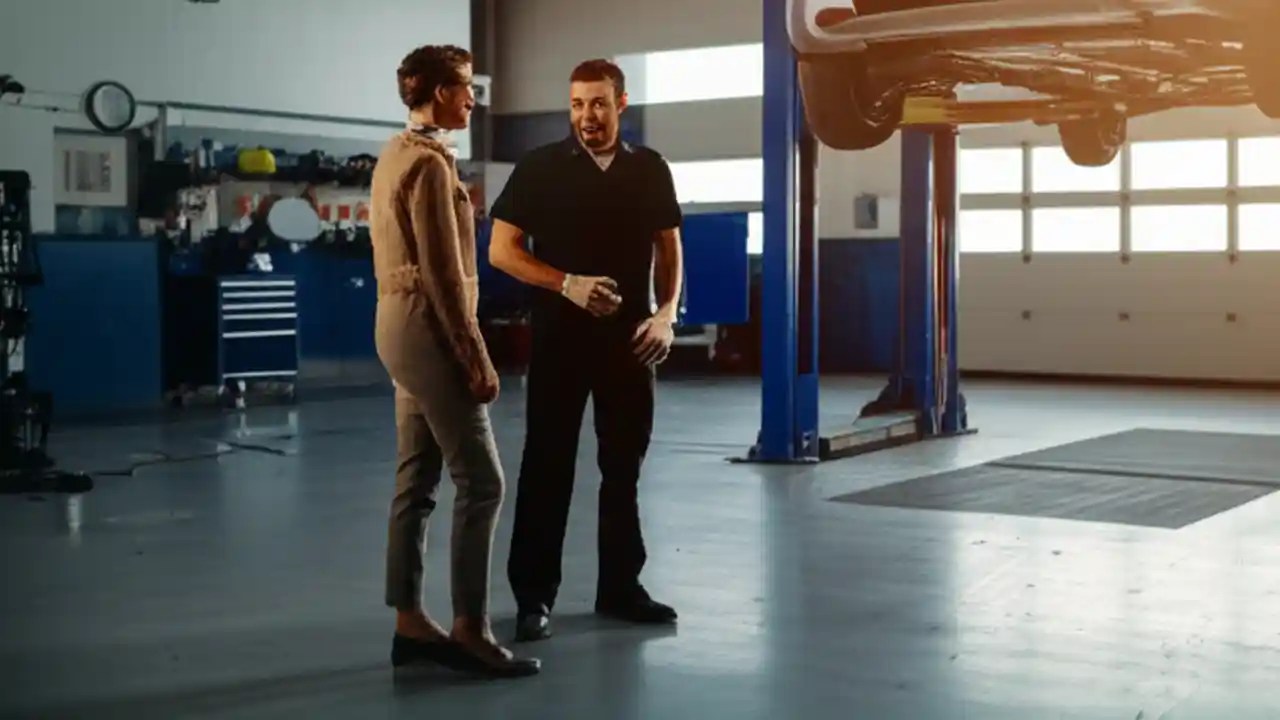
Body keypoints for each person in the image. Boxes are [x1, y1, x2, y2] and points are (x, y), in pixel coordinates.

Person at [488, 58, 685, 642]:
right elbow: (502, 249)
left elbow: (669, 248)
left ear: (621, 104)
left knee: (622, 468)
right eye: (576, 104)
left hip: (630, 346)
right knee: (546, 467)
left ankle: (621, 588)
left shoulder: (649, 169)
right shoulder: (540, 168)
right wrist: (565, 282)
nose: (587, 116)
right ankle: (533, 598)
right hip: (560, 344)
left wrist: (666, 315)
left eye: (598, 103)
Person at [370, 43, 539, 677]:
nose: (472, 97)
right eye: (465, 86)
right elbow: (444, 276)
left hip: (396, 324)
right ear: (438, 91)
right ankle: (471, 627)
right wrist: (476, 357)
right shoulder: (432, 168)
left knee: (416, 480)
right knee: (483, 481)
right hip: (429, 325)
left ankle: (410, 621)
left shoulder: (395, 155)